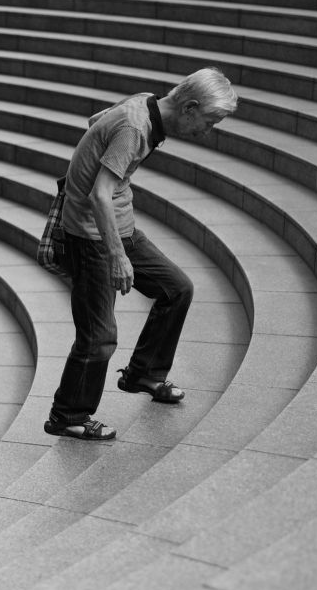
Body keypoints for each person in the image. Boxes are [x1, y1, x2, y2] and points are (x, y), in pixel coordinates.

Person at [45, 68, 238, 441]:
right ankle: (68, 415)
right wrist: (117, 257)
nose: (208, 131)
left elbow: (95, 121)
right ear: (190, 107)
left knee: (175, 289)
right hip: (91, 237)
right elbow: (99, 194)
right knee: (99, 336)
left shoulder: (145, 105)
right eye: (210, 121)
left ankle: (145, 373)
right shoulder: (135, 128)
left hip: (119, 225)